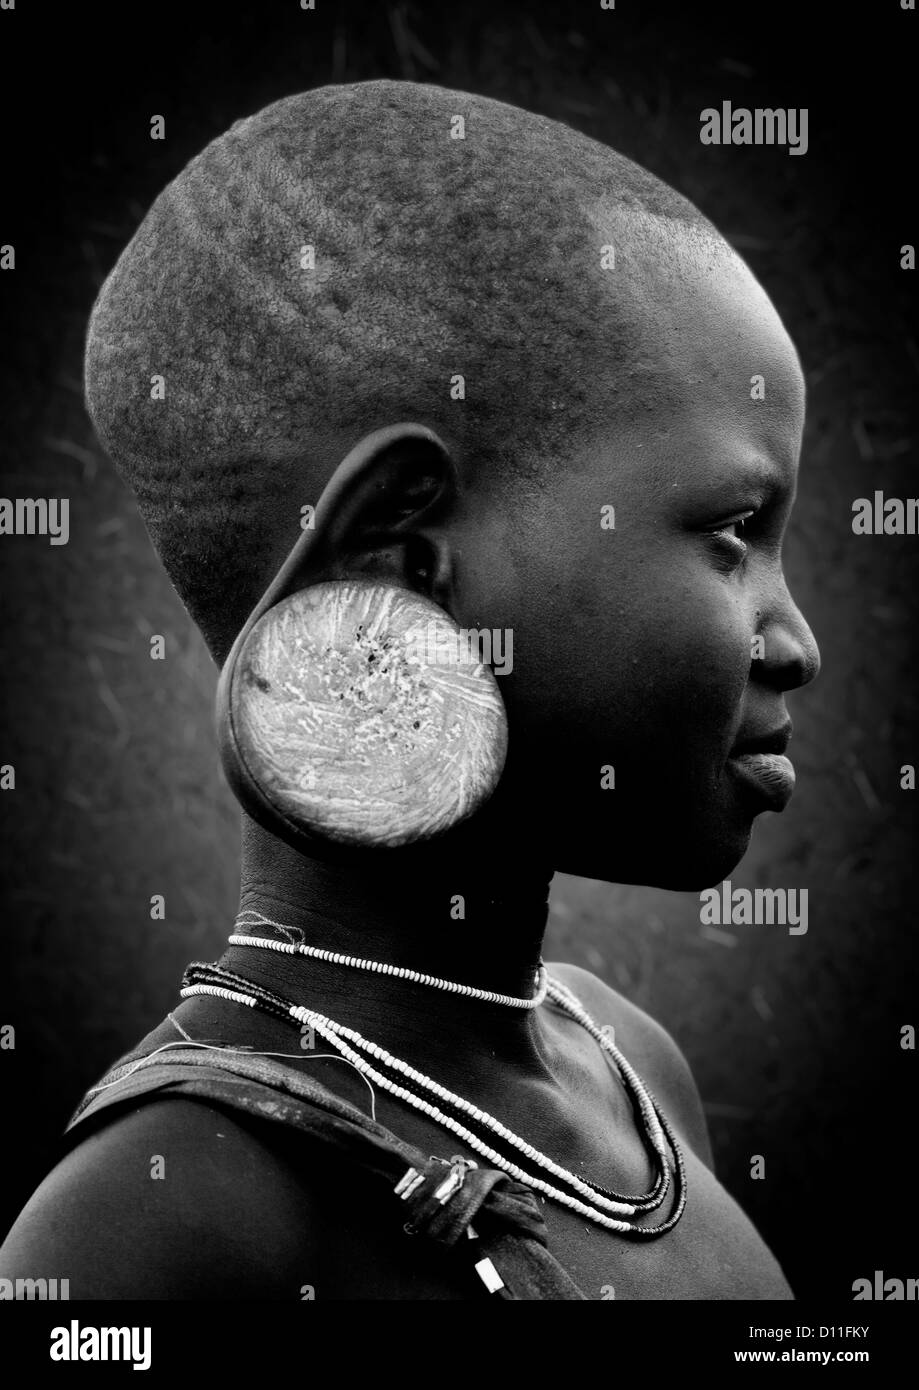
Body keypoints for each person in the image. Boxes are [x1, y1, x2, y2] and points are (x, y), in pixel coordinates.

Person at [0, 79, 819, 1300]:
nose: (792, 638)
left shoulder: (627, 1066)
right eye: (733, 529)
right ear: (398, 551)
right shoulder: (157, 1224)